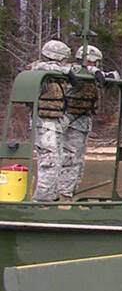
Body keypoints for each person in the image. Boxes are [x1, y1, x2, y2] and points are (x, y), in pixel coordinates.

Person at [26, 39, 74, 201]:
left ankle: (51, 197)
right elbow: (40, 67)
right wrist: (64, 70)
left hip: (55, 123)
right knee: (50, 161)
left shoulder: (58, 73)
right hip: (43, 123)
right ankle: (41, 200)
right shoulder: (41, 69)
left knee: (58, 160)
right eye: (64, 59)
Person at [59, 44, 107, 199]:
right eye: (94, 63)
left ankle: (69, 193)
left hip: (83, 121)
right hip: (70, 121)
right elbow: (78, 70)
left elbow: (107, 76)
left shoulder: (94, 74)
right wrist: (93, 70)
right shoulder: (72, 71)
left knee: (78, 161)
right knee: (70, 158)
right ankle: (62, 195)